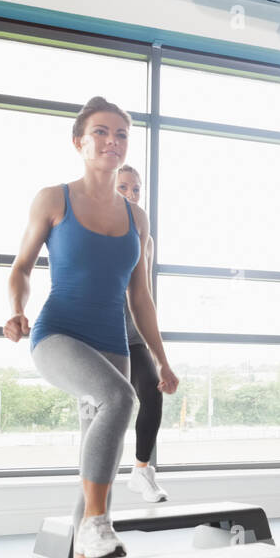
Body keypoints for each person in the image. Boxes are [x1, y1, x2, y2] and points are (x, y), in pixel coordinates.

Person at [4, 96, 178, 558]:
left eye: (121, 134)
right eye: (100, 132)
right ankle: (98, 525)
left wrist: (161, 360)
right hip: (58, 334)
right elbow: (21, 268)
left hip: (113, 344)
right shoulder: (53, 199)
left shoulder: (137, 219)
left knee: (96, 461)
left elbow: (140, 298)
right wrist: (16, 310)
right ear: (79, 142)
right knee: (120, 399)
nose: (111, 141)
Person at [114, 164, 169, 503]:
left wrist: (161, 359)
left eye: (136, 189)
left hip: (132, 335)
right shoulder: (95, 229)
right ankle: (94, 487)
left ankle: (141, 471)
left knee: (152, 392)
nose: (131, 194)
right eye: (123, 187)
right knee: (110, 404)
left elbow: (143, 295)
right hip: (100, 335)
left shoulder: (145, 240)